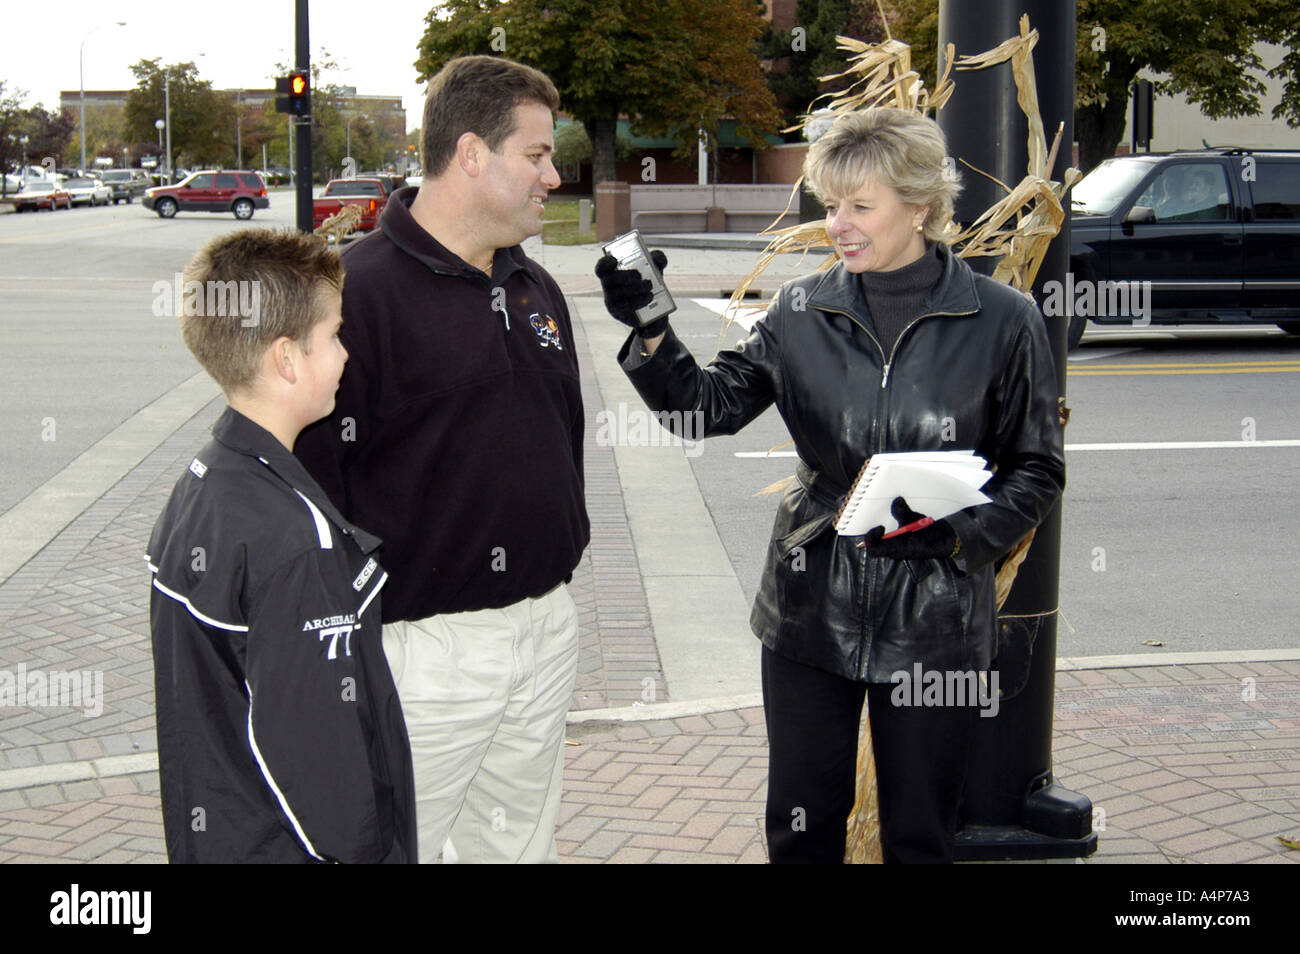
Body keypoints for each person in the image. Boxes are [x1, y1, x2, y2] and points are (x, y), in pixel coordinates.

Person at [597, 107, 1065, 863]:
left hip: (937, 621)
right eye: (830, 204)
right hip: (811, 608)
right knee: (802, 823)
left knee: (920, 830)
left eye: (860, 206)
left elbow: (1037, 468)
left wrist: (957, 536)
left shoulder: (1002, 320)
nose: (837, 225)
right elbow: (702, 410)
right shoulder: (800, 309)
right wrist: (652, 328)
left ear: (919, 206)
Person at [294, 55, 587, 864]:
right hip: (421, 657)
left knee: (517, 854)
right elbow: (311, 498)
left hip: (543, 632)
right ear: (469, 154)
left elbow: (560, 438)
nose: (553, 176)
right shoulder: (352, 298)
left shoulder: (535, 288)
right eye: (536, 156)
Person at [147, 228, 416, 863]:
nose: (347, 354)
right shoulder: (298, 540)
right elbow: (319, 762)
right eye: (334, 335)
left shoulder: (200, 488)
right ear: (287, 359)